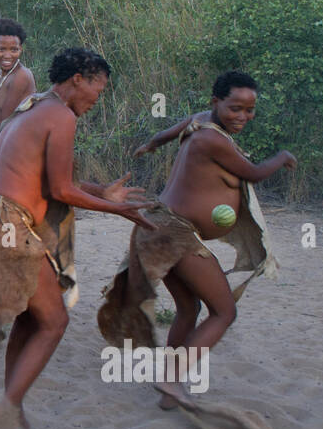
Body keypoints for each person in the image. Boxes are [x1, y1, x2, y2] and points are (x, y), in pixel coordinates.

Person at [0, 48, 155, 427]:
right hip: (1, 222)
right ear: (79, 78)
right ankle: (6, 410)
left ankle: (14, 405)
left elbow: (51, 179)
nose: (98, 98)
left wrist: (102, 193)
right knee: (55, 321)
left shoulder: (33, 105)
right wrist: (118, 211)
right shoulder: (61, 115)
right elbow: (61, 190)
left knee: (34, 318)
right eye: (99, 87)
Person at [101, 70, 292, 409]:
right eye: (235, 108)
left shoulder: (200, 122)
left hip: (158, 228)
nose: (243, 117)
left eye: (250, 111)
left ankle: (169, 393)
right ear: (216, 102)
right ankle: (171, 380)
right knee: (224, 312)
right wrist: (281, 158)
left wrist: (153, 144)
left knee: (189, 309)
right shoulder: (212, 140)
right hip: (174, 233)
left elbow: (166, 131)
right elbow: (254, 173)